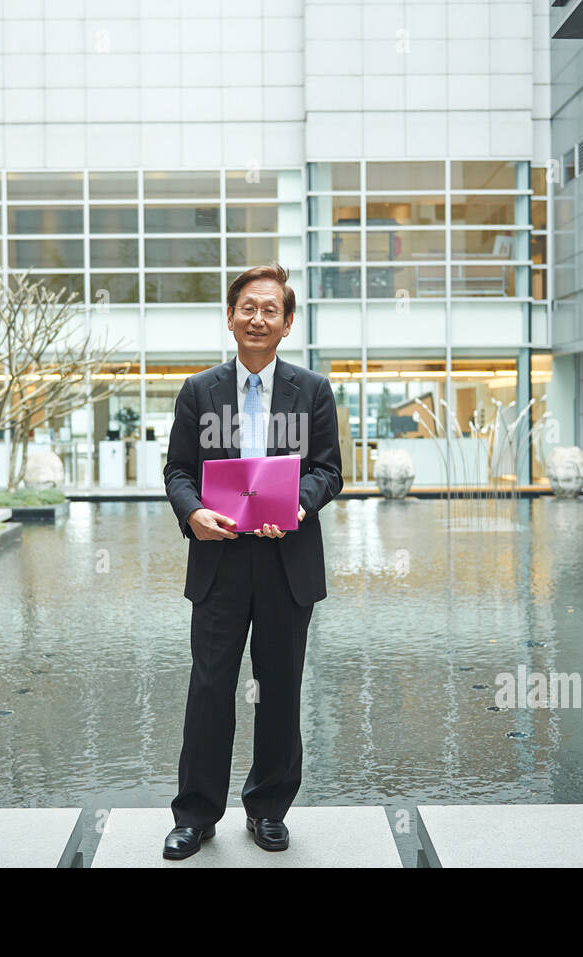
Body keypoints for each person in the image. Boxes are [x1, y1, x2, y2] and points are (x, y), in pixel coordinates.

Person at [161, 263, 343, 860]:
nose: (257, 318)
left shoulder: (312, 390)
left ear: (287, 323)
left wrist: (295, 503)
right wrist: (192, 514)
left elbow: (329, 473)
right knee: (210, 687)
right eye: (248, 307)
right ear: (231, 316)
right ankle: (196, 814)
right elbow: (178, 471)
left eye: (271, 309)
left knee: (280, 688)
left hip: (287, 561)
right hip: (219, 560)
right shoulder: (199, 391)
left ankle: (268, 808)